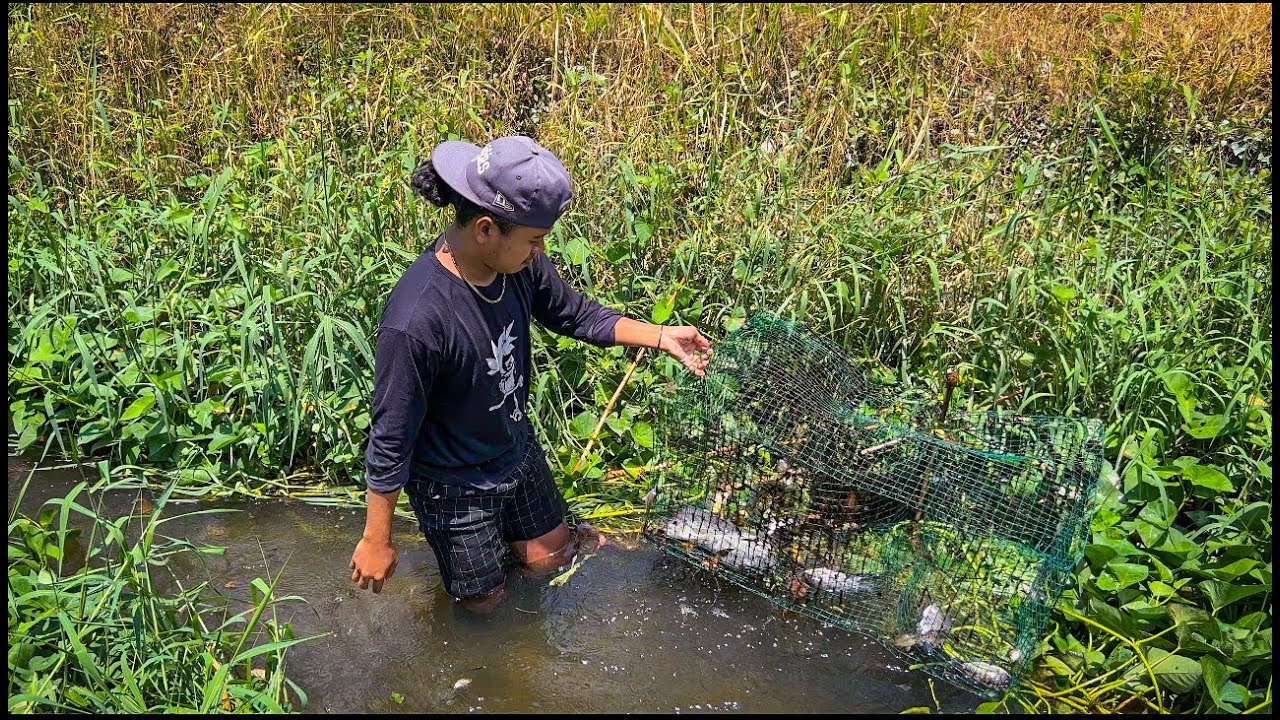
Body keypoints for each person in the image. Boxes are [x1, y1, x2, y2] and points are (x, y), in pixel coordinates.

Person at [349, 135, 712, 613]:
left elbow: (575, 314)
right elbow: (391, 436)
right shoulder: (417, 320)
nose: (540, 251)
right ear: (485, 229)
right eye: (534, 240)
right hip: (453, 483)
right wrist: (377, 539)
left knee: (551, 559)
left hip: (513, 447)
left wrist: (661, 335)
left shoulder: (517, 265)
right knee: (483, 607)